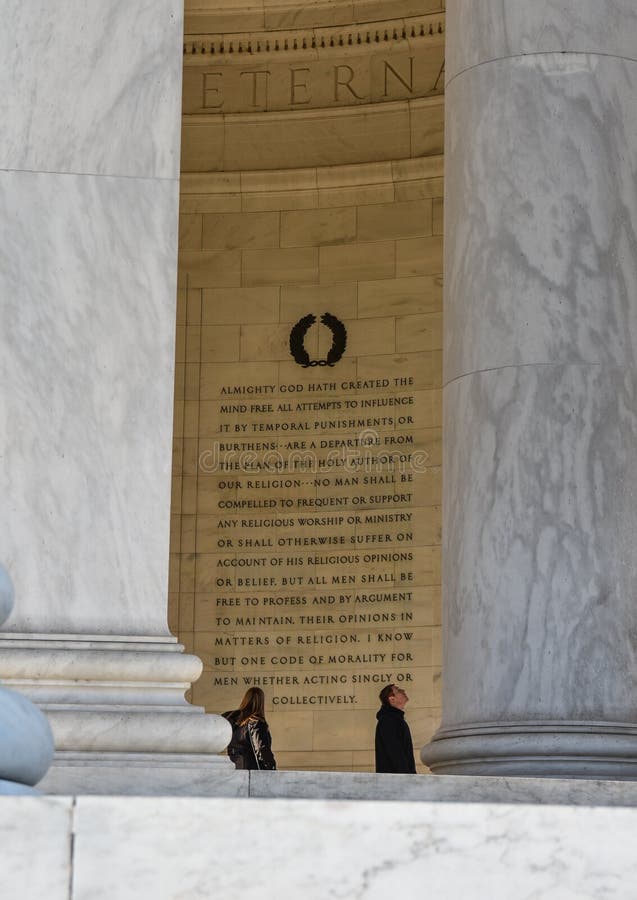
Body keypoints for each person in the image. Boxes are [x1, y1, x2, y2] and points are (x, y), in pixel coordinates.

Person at [222, 686, 276, 770]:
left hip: (234, 767)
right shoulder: (256, 722)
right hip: (251, 769)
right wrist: (271, 768)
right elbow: (262, 749)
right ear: (261, 702)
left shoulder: (231, 718)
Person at [375, 683, 416, 774]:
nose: (403, 691)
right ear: (392, 699)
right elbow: (395, 752)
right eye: (398, 690)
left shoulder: (394, 719)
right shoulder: (388, 720)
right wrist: (407, 777)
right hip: (396, 782)